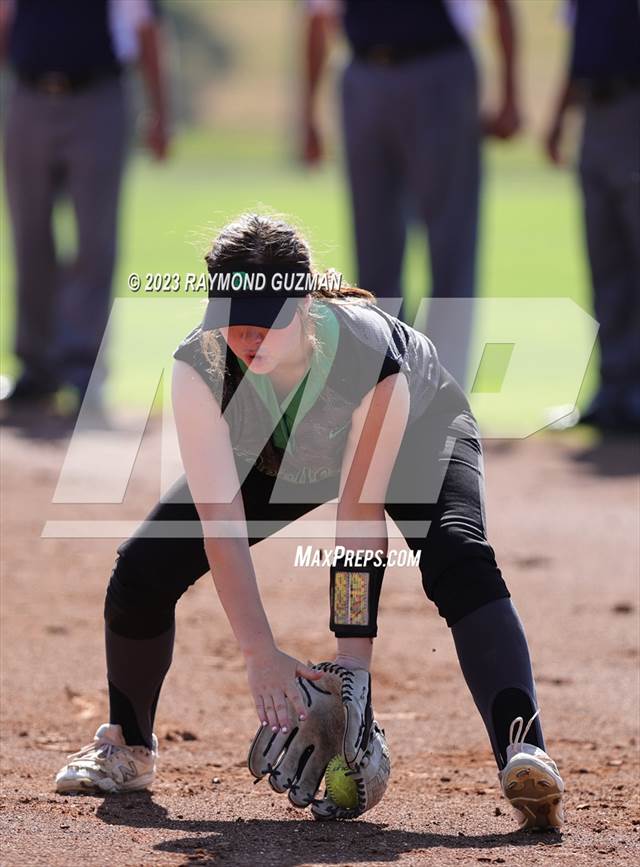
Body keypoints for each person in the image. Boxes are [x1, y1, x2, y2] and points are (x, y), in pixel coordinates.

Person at [54, 214, 564, 831]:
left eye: (267, 317)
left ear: (303, 299)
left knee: (457, 555)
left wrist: (353, 668)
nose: (249, 335)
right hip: (279, 448)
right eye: (235, 318)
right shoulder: (200, 367)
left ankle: (522, 748)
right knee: (143, 567)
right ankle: (129, 745)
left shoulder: (369, 354)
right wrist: (258, 652)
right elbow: (222, 523)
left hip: (416, 433)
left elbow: (359, 516)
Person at [302, 0, 521, 386]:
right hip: (363, 72)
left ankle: (443, 389)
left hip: (438, 70)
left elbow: (500, 7)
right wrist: (308, 114)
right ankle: (385, 384)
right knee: (373, 245)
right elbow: (320, 16)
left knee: (450, 240)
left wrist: (510, 95)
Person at [0, 0, 169, 421]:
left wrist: (159, 113)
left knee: (95, 242)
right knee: (30, 237)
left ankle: (83, 371)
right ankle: (36, 369)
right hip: (29, 95)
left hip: (97, 99)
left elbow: (145, 29)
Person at [545, 0, 640, 433]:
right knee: (607, 259)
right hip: (596, 111)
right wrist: (559, 116)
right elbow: (581, 46)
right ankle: (614, 388)